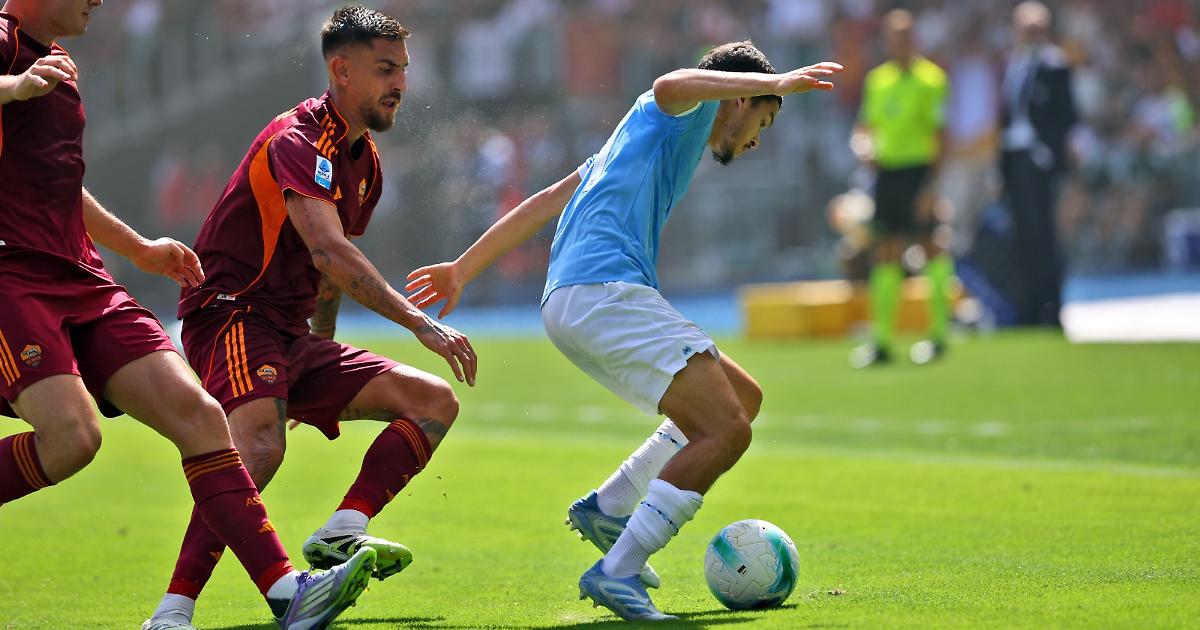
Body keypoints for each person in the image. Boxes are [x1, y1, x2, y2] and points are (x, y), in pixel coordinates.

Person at [407, 41, 841, 620]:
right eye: (762, 120)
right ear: (739, 99)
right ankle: (618, 571)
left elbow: (546, 201)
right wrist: (778, 82)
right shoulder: (683, 113)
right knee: (726, 430)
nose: (757, 139)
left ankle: (609, 506)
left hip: (573, 300)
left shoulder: (630, 139)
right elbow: (670, 85)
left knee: (744, 398)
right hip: (603, 292)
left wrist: (464, 267)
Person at [0, 1, 376, 629]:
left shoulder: (55, 62)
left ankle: (288, 595)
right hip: (11, 275)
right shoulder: (6, 43)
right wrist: (12, 87)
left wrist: (139, 249)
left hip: (82, 277)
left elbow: (57, 186)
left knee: (202, 418)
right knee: (73, 440)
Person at [143, 6, 476, 629]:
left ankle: (343, 530)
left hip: (288, 335)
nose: (401, 84)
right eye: (385, 70)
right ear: (341, 71)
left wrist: (314, 358)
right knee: (259, 449)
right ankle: (173, 611)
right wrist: (420, 322)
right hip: (231, 315)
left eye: (403, 69)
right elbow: (329, 251)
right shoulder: (296, 140)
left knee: (433, 402)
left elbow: (326, 275)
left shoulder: (365, 163)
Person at [848, 9, 952, 367]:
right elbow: (865, 128)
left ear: (914, 39)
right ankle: (881, 342)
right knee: (886, 253)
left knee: (931, 248)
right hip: (887, 175)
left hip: (919, 173)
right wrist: (862, 147)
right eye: (894, 37)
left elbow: (941, 136)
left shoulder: (932, 79)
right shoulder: (878, 81)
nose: (900, 43)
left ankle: (939, 335)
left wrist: (930, 188)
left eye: (905, 36)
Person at [999, 1, 1077, 326]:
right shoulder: (1014, 64)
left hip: (1039, 160)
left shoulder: (1054, 65)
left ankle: (1052, 306)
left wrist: (1046, 150)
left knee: (1045, 235)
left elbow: (1067, 115)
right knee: (1023, 236)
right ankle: (1029, 306)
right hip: (1015, 158)